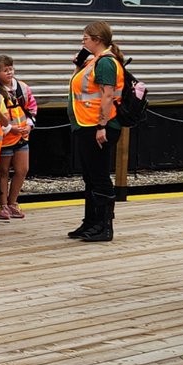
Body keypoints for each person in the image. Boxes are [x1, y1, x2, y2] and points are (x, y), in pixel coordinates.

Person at [67, 21, 124, 243]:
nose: (83, 41)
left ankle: (104, 226)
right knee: (90, 176)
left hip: (98, 127)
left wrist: (101, 126)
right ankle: (90, 222)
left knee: (99, 176)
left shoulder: (106, 63)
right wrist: (78, 65)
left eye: (86, 38)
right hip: (85, 124)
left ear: (97, 39)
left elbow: (107, 96)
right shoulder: (93, 61)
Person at [0, 55, 35, 219]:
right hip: (4, 139)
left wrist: (29, 125)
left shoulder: (23, 88)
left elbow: (31, 107)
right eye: (5, 70)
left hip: (22, 137)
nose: (9, 72)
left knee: (22, 169)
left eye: (11, 69)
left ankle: (13, 202)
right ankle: (3, 205)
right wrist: (10, 128)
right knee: (3, 172)